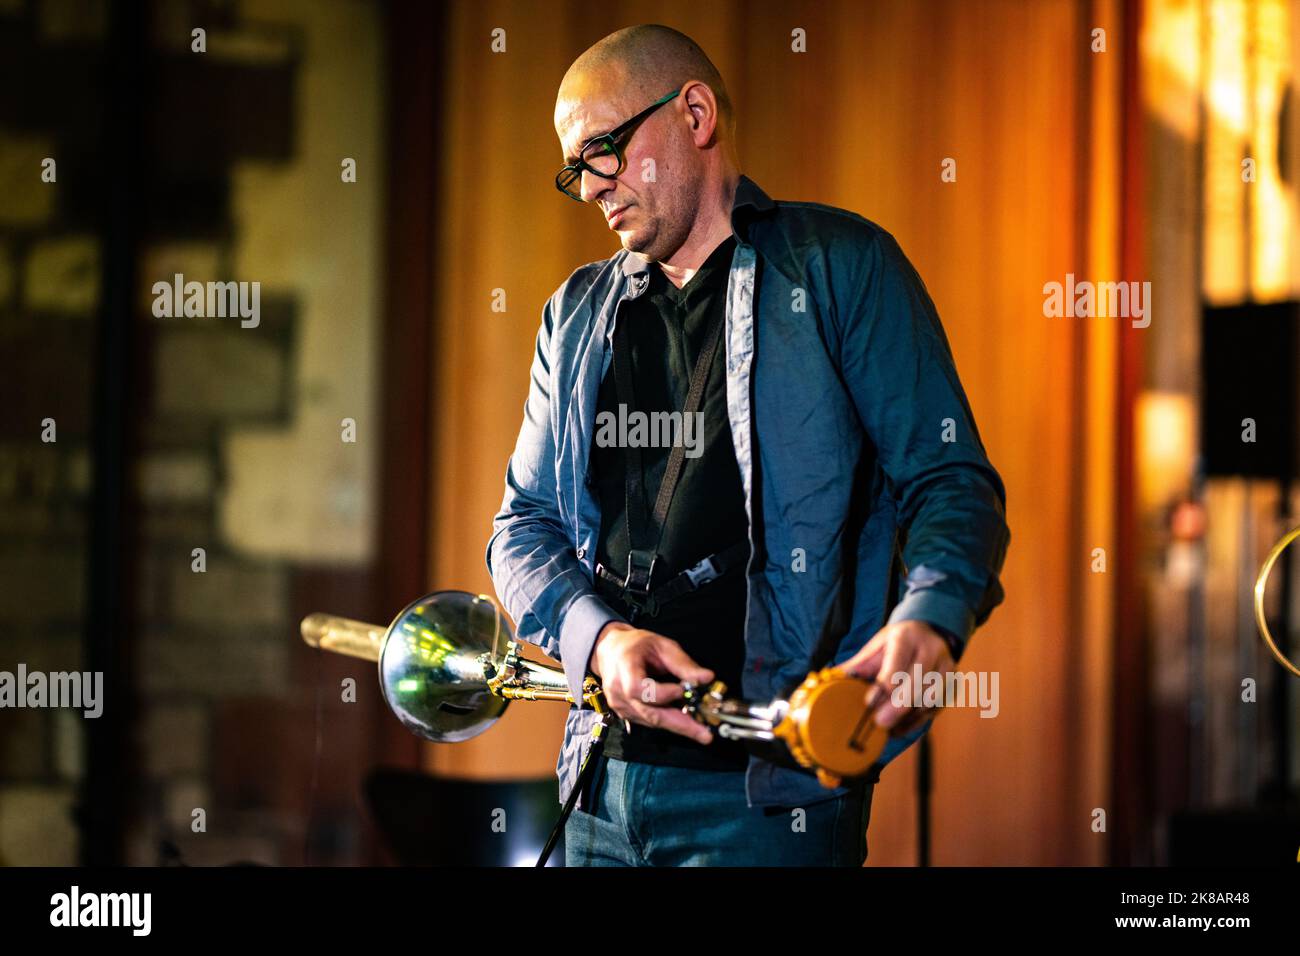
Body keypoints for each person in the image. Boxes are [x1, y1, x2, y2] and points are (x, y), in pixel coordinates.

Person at [486, 23, 1010, 866]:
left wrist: (934, 619)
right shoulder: (573, 312)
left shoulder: (846, 266)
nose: (588, 189)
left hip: (771, 803)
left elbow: (951, 482)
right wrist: (603, 641)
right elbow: (522, 529)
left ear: (694, 113)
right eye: (572, 168)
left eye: (604, 151)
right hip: (598, 785)